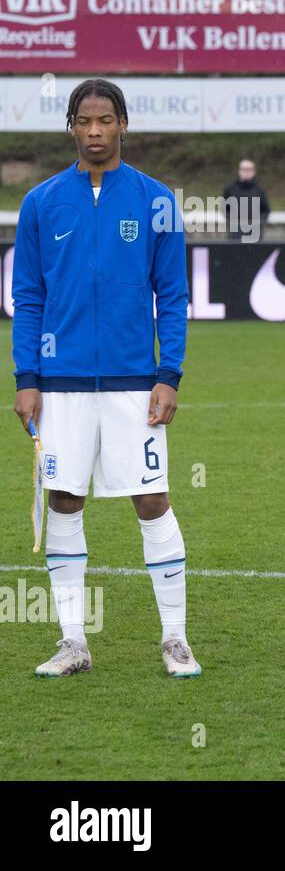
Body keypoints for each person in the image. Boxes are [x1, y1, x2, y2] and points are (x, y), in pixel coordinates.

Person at [12, 78, 196, 678]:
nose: (95, 131)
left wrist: (168, 373)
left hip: (133, 384)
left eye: (105, 120)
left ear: (123, 124)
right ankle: (73, 644)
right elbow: (28, 296)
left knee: (152, 498)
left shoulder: (156, 200)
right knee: (64, 500)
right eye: (84, 121)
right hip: (59, 385)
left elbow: (172, 295)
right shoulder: (41, 203)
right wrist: (26, 377)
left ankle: (175, 641)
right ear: (71, 126)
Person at [222, 159, 270, 240]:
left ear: (254, 172)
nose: (246, 172)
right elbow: (224, 209)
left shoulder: (259, 190)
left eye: (249, 169)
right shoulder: (230, 189)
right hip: (235, 234)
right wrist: (234, 222)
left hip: (255, 234)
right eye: (244, 169)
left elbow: (265, 210)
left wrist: (256, 223)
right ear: (239, 171)